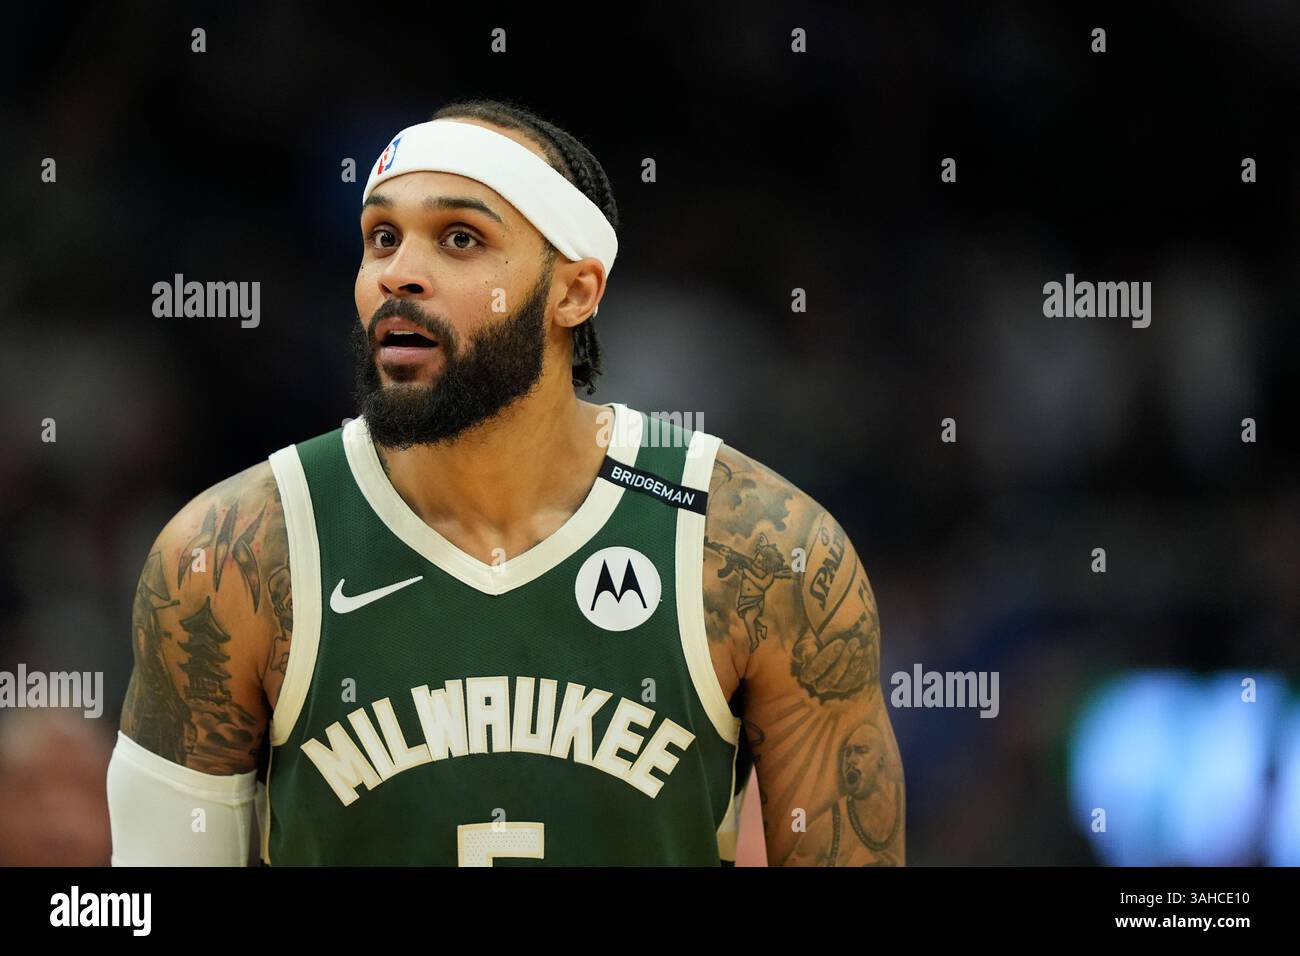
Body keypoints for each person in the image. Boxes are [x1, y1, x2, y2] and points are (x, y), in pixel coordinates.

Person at [107, 99, 904, 866]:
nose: (400, 274)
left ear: (575, 291)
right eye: (382, 237)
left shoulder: (761, 551)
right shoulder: (232, 556)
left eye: (459, 239)